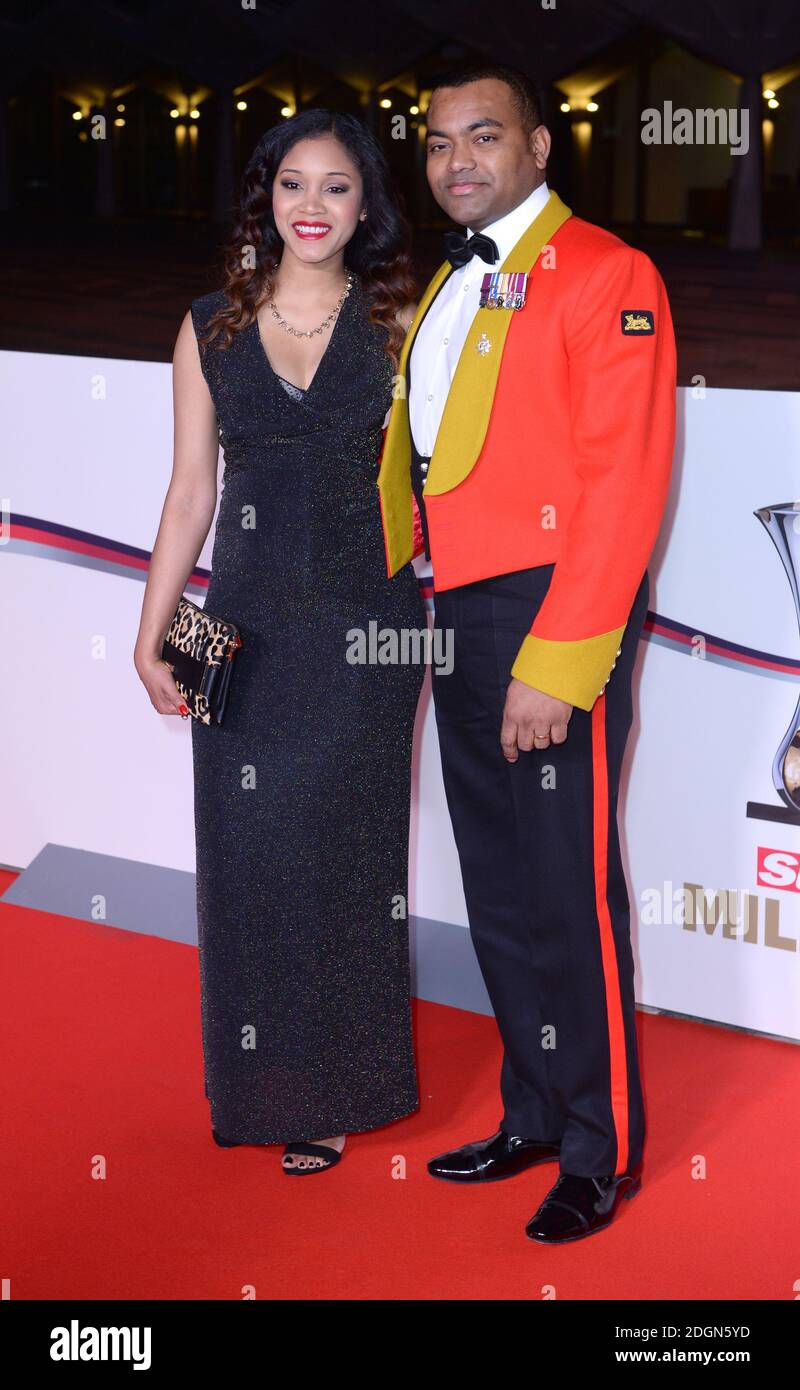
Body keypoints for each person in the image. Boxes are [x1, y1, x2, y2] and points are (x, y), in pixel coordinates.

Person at [378, 64, 677, 1240]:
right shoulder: (438, 283)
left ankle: (599, 1152)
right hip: (453, 608)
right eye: (440, 142)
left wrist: (556, 661)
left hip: (552, 613)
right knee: (498, 887)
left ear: (538, 147)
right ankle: (534, 1112)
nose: (456, 160)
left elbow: (623, 484)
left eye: (483, 136)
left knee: (566, 890)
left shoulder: (607, 271)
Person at [134, 109, 426, 1173]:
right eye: (291, 185)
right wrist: (152, 630)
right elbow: (188, 494)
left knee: (346, 855)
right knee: (247, 854)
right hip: (236, 625)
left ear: (365, 206)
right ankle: (260, 1082)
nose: (311, 207)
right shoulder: (208, 323)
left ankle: (338, 1085)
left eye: (335, 188)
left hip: (367, 628)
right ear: (264, 198)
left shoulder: (400, 323)